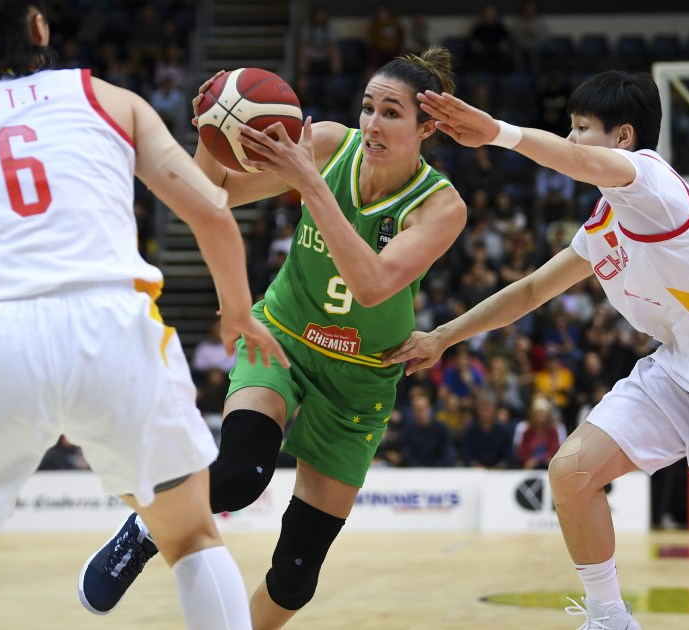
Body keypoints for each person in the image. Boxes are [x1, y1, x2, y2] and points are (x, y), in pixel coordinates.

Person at [0, 3, 288, 629]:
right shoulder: (109, 99)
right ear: (38, 29)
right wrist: (236, 311)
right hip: (110, 326)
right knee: (190, 538)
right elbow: (212, 210)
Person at [385, 71, 689, 630]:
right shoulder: (606, 221)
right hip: (679, 375)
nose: (572, 138)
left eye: (582, 128)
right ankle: (609, 619)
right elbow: (533, 290)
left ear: (624, 137)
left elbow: (580, 163)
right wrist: (443, 336)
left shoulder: (654, 184)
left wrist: (498, 133)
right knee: (571, 472)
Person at [79, 47, 467, 628]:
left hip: (361, 378)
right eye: (367, 108)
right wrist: (212, 136)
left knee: (295, 574)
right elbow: (212, 197)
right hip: (282, 338)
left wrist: (309, 182)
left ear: (427, 126)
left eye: (391, 113)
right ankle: (145, 526)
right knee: (241, 475)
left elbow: (371, 285)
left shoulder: (441, 207)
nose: (372, 124)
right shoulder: (331, 144)